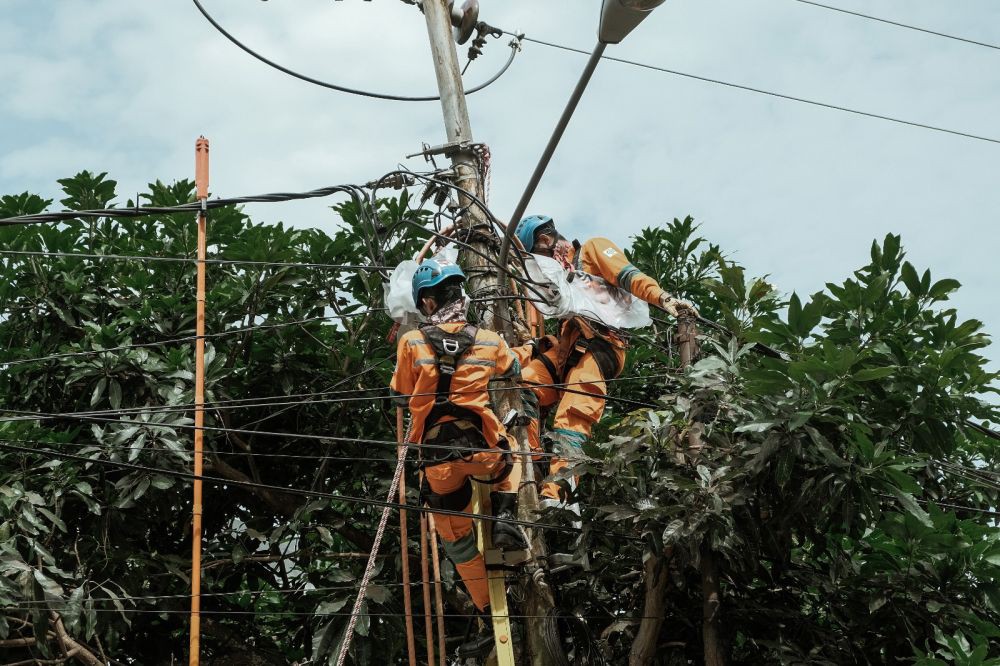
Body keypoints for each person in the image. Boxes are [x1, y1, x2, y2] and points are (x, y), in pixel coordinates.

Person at [513, 215, 697, 513]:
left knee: (573, 414)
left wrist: (664, 299)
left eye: (541, 252)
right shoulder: (555, 280)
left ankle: (561, 494)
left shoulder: (590, 253)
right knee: (523, 387)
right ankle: (531, 469)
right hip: (567, 353)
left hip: (601, 346)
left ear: (547, 239)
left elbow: (628, 275)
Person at [390, 259, 527, 657]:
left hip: (438, 460)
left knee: (456, 537)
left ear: (428, 303)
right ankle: (504, 514)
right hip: (483, 450)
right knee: (512, 454)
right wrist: (525, 345)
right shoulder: (488, 340)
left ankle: (490, 612)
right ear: (459, 294)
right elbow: (514, 366)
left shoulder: (412, 341)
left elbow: (399, 393)